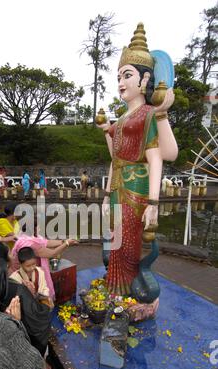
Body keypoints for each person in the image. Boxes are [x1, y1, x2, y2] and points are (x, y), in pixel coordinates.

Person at [99, 23, 178, 302]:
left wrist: (154, 204)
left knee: (131, 241)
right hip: (119, 187)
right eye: (119, 75)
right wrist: (107, 193)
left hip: (137, 190)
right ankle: (115, 283)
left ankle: (131, 283)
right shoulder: (121, 119)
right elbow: (116, 158)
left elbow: (158, 157)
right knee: (116, 238)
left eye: (127, 75)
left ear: (145, 80)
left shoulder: (148, 114)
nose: (121, 82)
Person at [0, 241, 53, 369]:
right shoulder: (16, 284)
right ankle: (37, 363)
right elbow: (38, 316)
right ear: (4, 263)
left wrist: (36, 295)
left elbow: (43, 289)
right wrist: (42, 303)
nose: (12, 256)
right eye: (9, 254)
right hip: (23, 324)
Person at [12, 221, 78, 301]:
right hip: (26, 275)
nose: (40, 228)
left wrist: (63, 241)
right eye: (38, 227)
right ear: (33, 229)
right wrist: (67, 243)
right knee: (33, 294)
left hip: (28, 270)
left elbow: (47, 242)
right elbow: (52, 254)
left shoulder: (28, 236)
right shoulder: (31, 244)